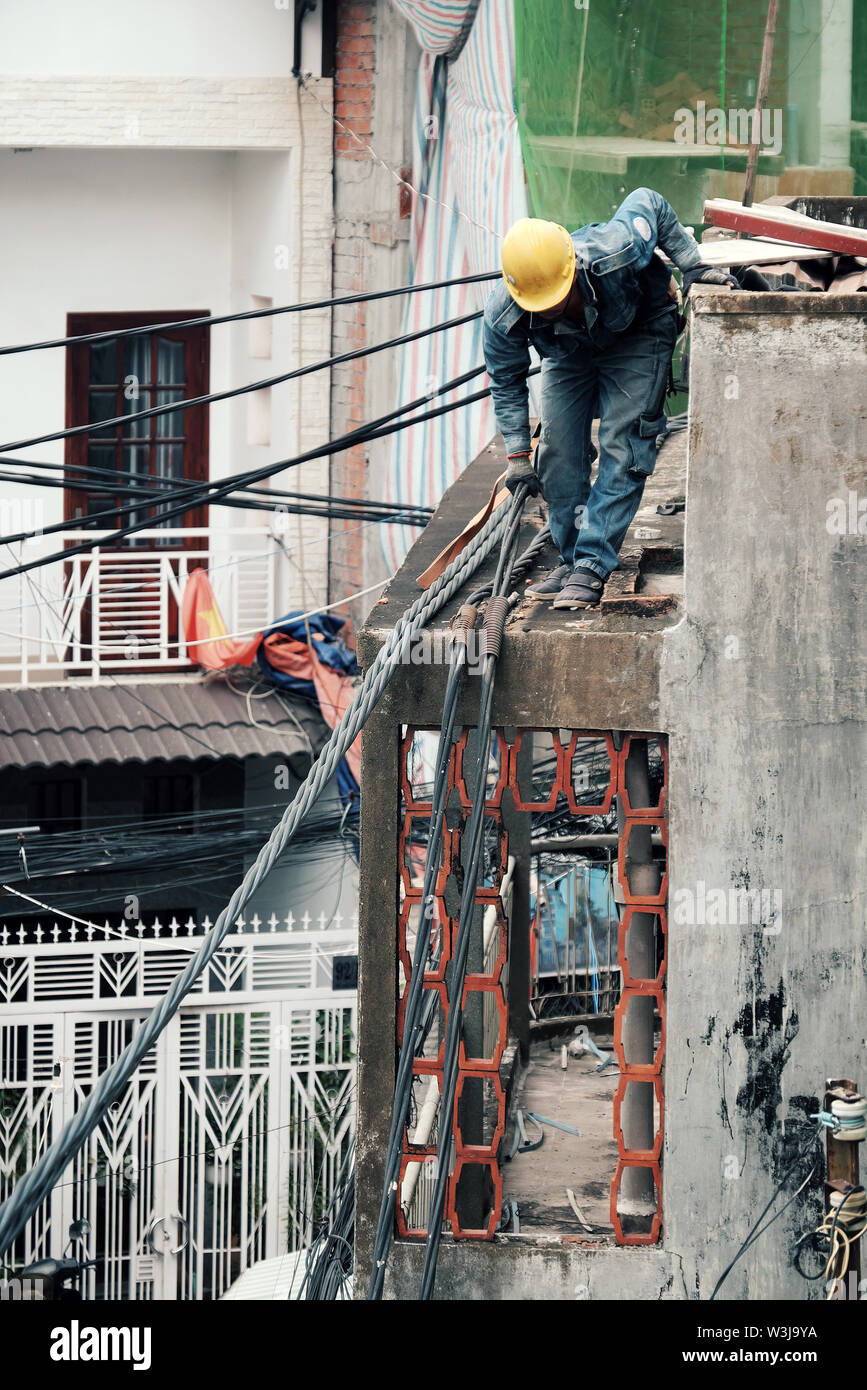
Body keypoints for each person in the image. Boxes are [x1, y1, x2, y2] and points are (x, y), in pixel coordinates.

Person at [482, 188, 736, 608]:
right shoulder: (503, 313)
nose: (549, 309)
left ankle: (592, 564)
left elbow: (650, 199)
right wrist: (516, 457)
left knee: (625, 443)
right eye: (539, 305)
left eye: (557, 298)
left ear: (572, 269)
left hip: (639, 332)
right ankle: (571, 558)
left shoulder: (615, 248)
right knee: (558, 454)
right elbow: (506, 380)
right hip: (569, 353)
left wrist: (691, 265)